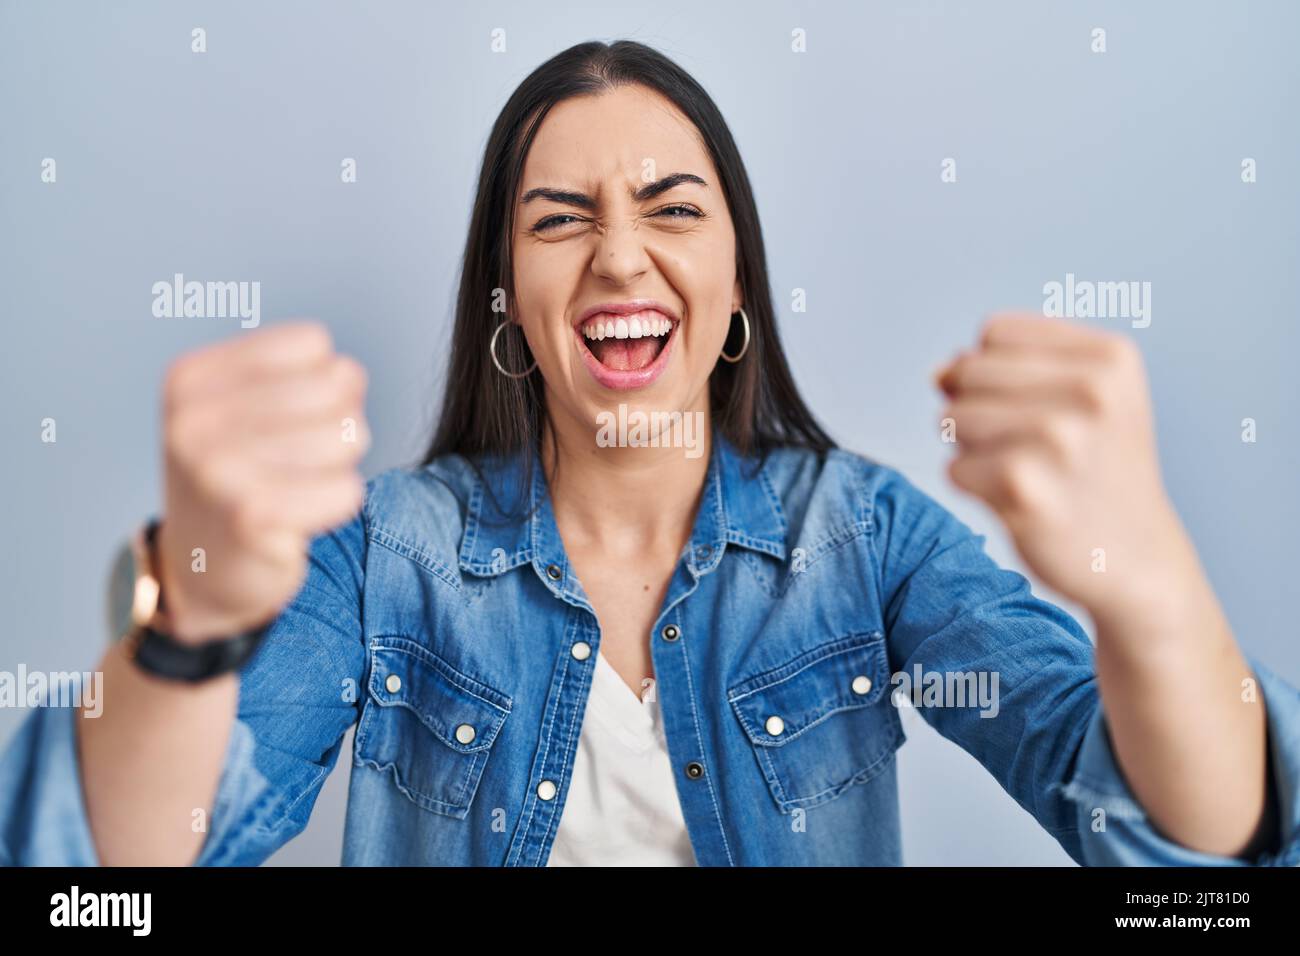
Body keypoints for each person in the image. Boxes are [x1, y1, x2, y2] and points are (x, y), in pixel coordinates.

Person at [2, 40, 1297, 867]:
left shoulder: (864, 538)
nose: (620, 255)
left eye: (672, 210)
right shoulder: (384, 554)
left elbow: (1198, 855)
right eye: (561, 221)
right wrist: (189, 625)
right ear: (506, 298)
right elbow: (112, 882)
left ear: (736, 288)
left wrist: (1150, 587)